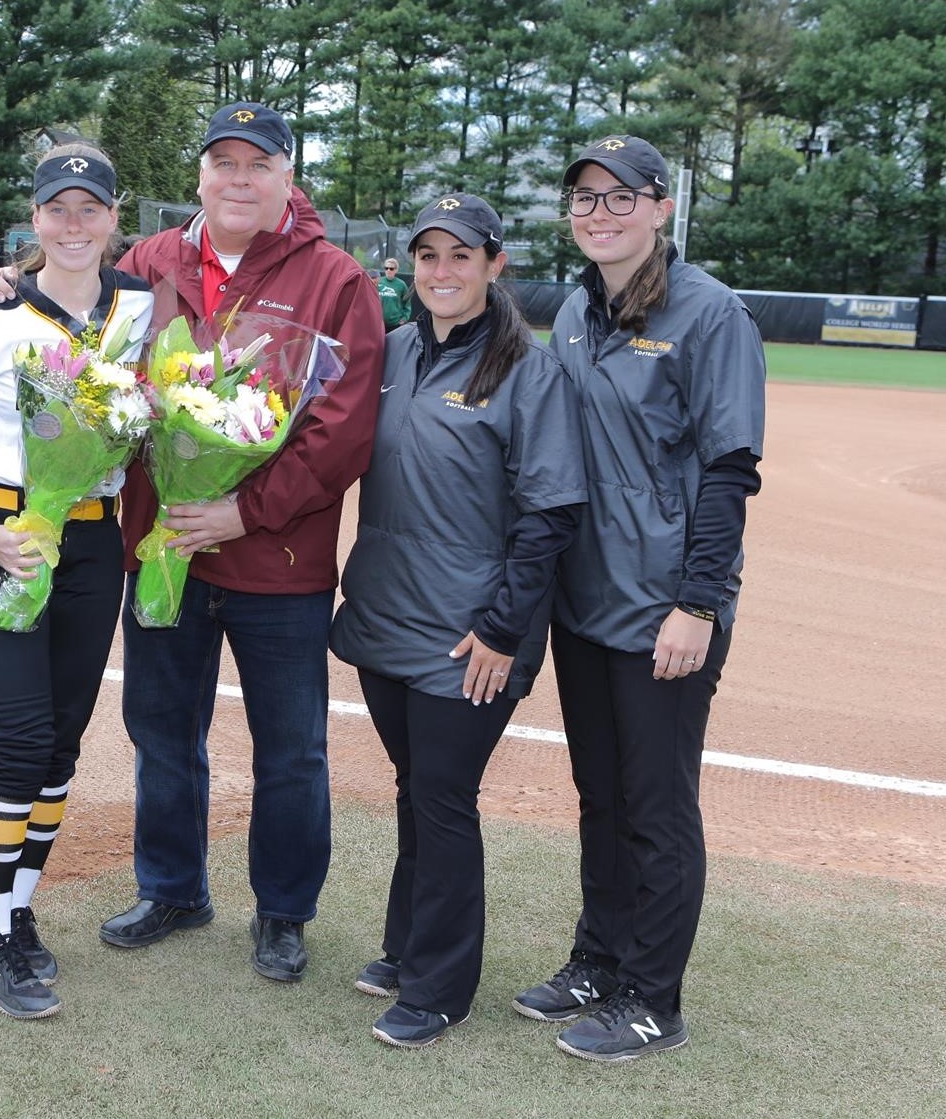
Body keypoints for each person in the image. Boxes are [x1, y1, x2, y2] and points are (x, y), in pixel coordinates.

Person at [0, 102, 386, 982]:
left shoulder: (335, 277)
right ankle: (172, 887)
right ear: (199, 177)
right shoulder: (150, 262)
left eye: (257, 164)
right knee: (160, 729)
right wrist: (0, 280)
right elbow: (78, 326)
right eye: (222, 163)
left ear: (285, 177)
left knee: (291, 745)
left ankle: (282, 910)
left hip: (276, 558)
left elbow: (342, 428)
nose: (238, 180)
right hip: (159, 549)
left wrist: (247, 510)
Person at [512, 135, 765, 1062]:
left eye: (623, 198)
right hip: (584, 599)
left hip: (665, 606)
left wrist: (698, 604)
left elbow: (731, 471)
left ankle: (654, 997)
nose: (601, 214)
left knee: (657, 807)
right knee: (598, 793)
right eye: (585, 198)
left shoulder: (711, 315)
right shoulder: (577, 313)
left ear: (662, 209)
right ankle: (599, 959)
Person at [328, 193, 586, 1048]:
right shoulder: (393, 351)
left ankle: (440, 986)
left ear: (494, 265)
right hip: (388, 612)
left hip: (471, 632)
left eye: (461, 256)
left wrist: (504, 630)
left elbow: (549, 514)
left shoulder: (527, 369)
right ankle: (407, 948)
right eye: (429, 255)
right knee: (416, 788)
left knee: (443, 797)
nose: (443, 271)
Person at [0, 144, 154, 1019]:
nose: (73, 225)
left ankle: (19, 911)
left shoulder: (142, 307)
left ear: (112, 218)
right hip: (7, 536)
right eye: (57, 210)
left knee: (63, 739)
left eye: (89, 209)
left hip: (95, 542)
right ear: (34, 220)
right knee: (19, 735)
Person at [377, 257, 412, 330]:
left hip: (395, 324)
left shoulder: (401, 284)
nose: (388, 270)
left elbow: (407, 303)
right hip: (378, 323)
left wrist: (405, 318)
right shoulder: (378, 282)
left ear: (396, 270)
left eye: (391, 268)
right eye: (386, 268)